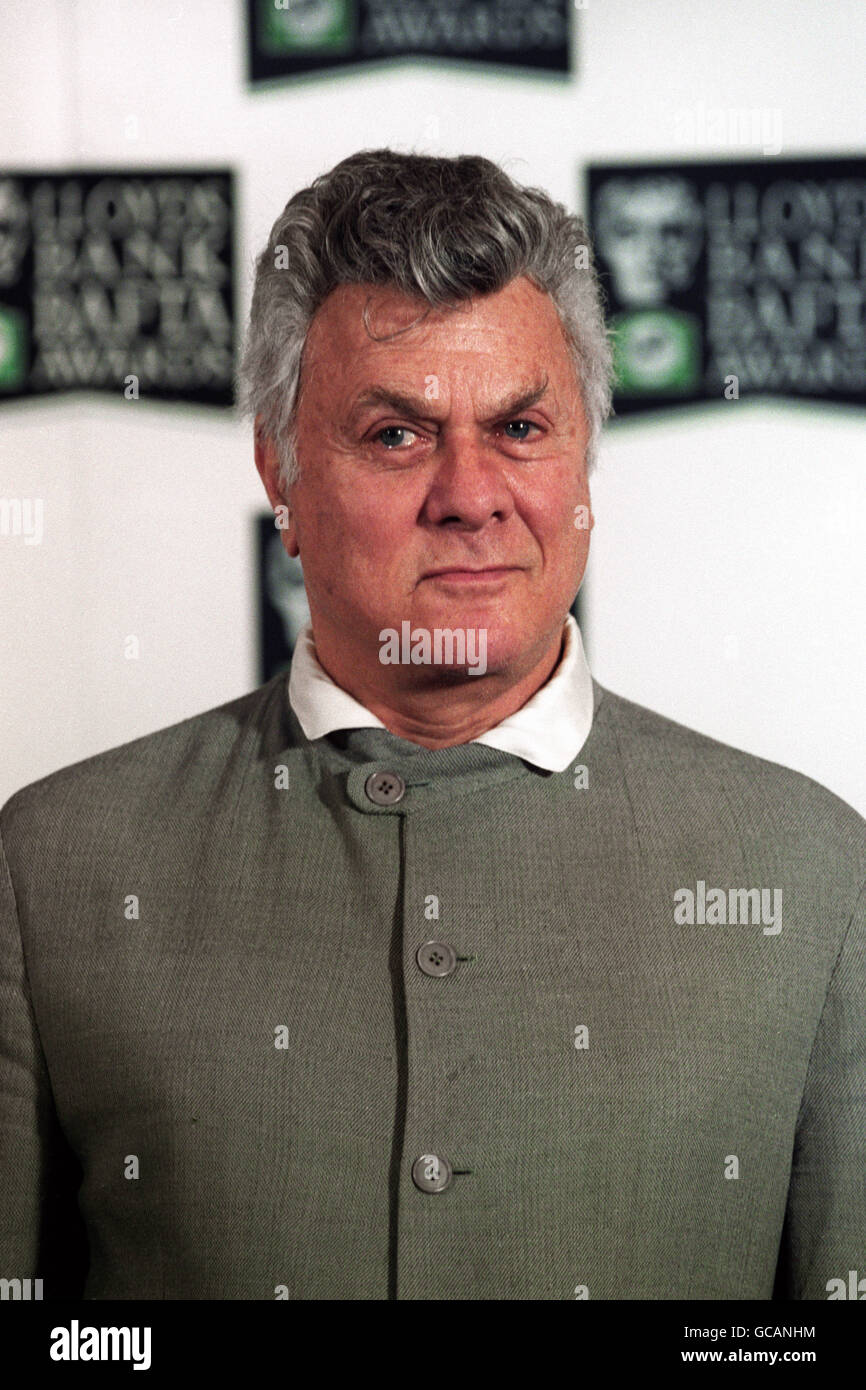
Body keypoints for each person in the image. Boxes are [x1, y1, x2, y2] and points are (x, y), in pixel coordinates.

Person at [1, 149, 863, 1301]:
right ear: (282, 471)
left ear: (582, 469)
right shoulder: (56, 865)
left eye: (519, 427)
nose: (469, 493)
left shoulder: (807, 873)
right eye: (396, 435)